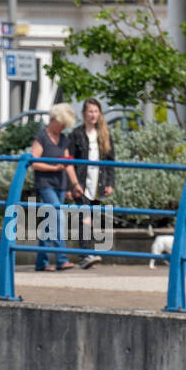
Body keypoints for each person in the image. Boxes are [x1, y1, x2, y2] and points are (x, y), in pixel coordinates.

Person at [66, 97, 114, 270]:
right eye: (90, 111)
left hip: (97, 183)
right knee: (85, 218)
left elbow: (110, 160)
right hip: (81, 182)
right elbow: (69, 161)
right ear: (84, 114)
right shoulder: (76, 134)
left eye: (96, 111)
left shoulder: (104, 134)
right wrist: (69, 186)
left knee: (92, 219)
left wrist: (110, 182)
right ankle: (85, 255)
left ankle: (88, 253)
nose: (93, 115)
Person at [30, 103, 78, 272]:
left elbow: (68, 164)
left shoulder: (64, 139)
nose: (64, 127)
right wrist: (53, 168)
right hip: (46, 184)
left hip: (60, 184)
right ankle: (61, 259)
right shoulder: (42, 137)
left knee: (49, 223)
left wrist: (74, 184)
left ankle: (41, 262)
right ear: (53, 120)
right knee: (59, 217)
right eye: (62, 123)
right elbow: (33, 162)